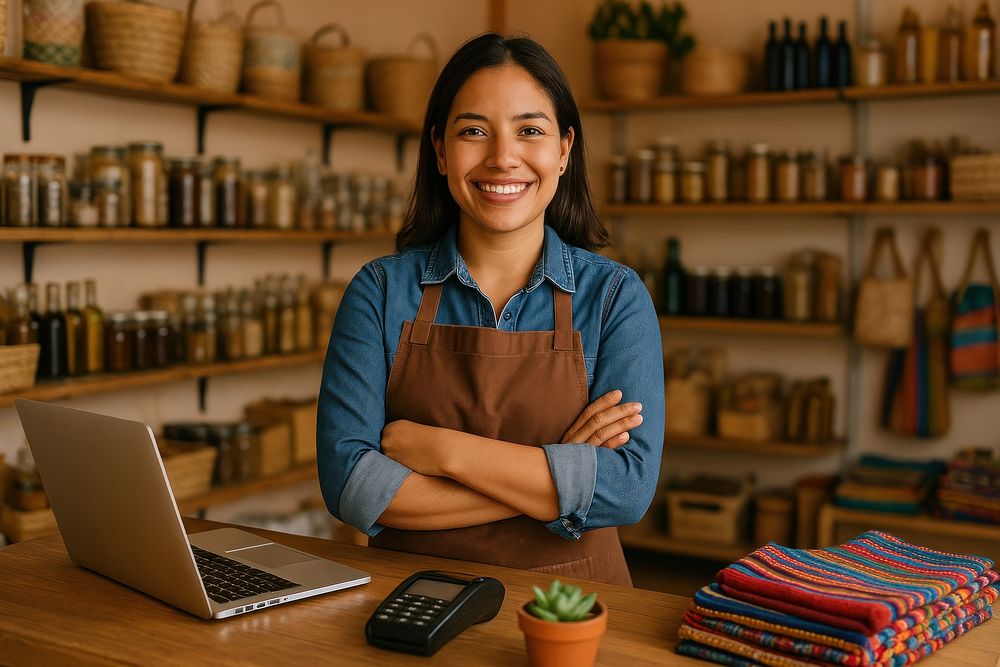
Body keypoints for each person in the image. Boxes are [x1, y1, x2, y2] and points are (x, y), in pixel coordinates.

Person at [317, 33, 664, 586]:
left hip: (572, 606)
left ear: (564, 150)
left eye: (530, 130)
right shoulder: (379, 291)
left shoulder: (615, 298)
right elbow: (352, 489)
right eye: (474, 131)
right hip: (412, 596)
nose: (503, 158)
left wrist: (442, 451)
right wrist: (560, 473)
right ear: (440, 150)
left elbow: (625, 489)